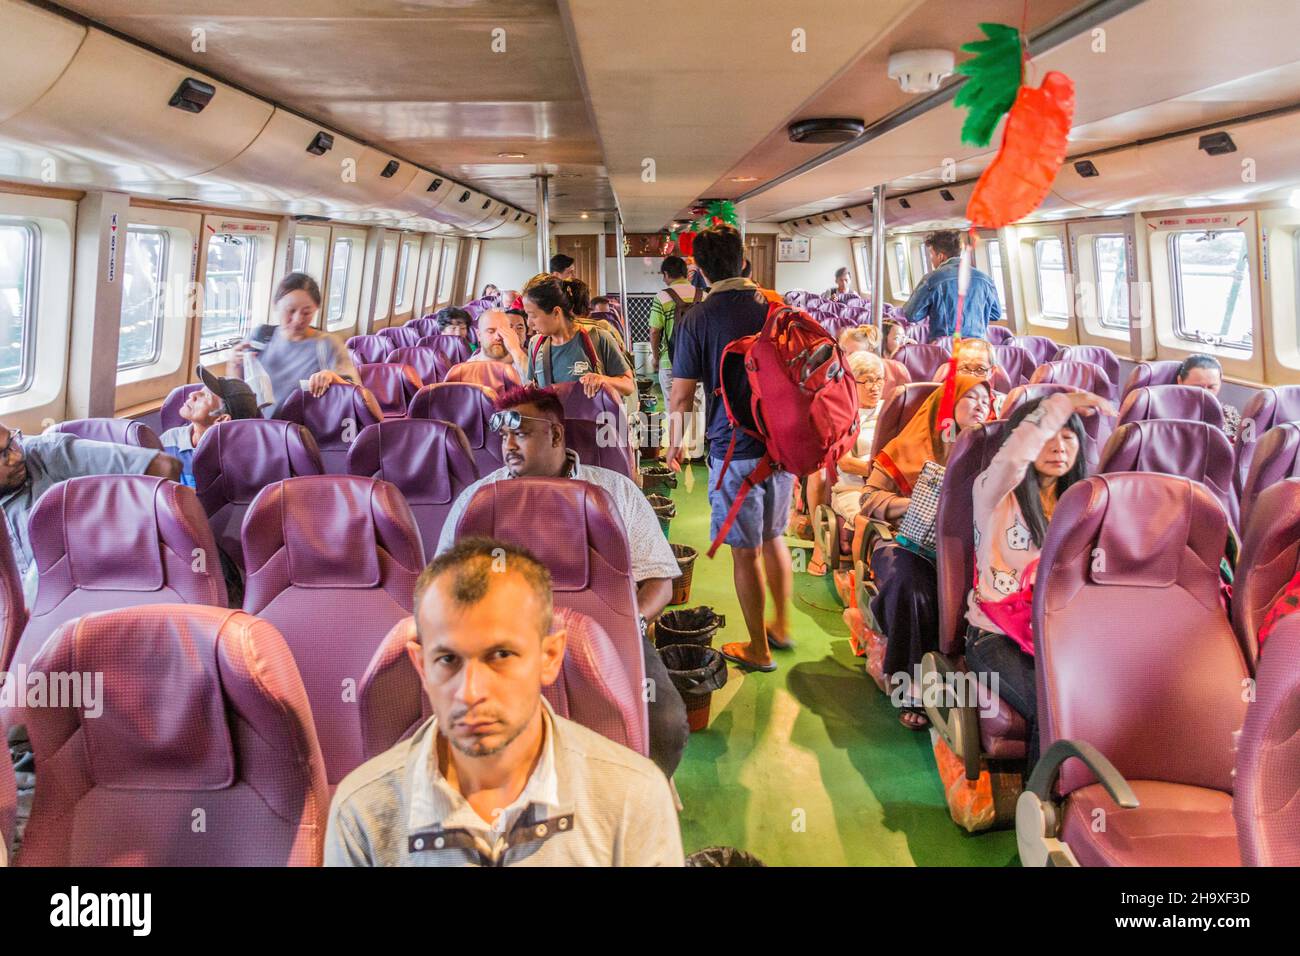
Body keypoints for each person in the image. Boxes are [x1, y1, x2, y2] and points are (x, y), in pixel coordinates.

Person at [325, 537, 683, 867]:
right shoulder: (361, 815)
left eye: (500, 655)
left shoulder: (633, 799)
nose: (470, 692)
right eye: (447, 660)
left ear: (550, 657)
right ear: (421, 666)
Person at [436, 386, 689, 778]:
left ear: (555, 434)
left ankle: (645, 792)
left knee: (666, 725)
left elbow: (660, 579)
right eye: (502, 436)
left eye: (519, 432)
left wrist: (631, 623)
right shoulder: (479, 500)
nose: (508, 446)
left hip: (611, 633)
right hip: (503, 642)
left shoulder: (613, 491)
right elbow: (442, 582)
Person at [667, 226, 796, 673]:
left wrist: (675, 444)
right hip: (782, 448)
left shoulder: (696, 320)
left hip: (733, 450)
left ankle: (759, 648)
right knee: (774, 537)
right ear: (744, 262)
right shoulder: (777, 308)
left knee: (746, 552)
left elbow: (681, 395)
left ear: (698, 272)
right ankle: (782, 625)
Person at [963, 391, 1107, 770]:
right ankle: (1042, 809)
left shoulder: (1085, 506)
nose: (1058, 447)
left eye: (1069, 436)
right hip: (996, 636)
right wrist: (1062, 403)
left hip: (1059, 634)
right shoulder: (993, 495)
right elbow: (1012, 458)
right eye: (1047, 436)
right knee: (1054, 709)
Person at [860, 375, 994, 728]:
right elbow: (868, 499)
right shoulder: (911, 446)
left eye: (986, 400)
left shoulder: (995, 454)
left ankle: (974, 685)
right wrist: (916, 506)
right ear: (947, 407)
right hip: (908, 544)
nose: (981, 406)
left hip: (970, 552)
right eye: (971, 398)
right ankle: (911, 685)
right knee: (912, 587)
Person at [0, 422, 181, 603]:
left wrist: (116, 535)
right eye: (3, 454)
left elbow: (165, 467)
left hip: (93, 599)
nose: (16, 456)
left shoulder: (47, 454)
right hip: (22, 620)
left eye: (12, 441)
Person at [229, 272, 359, 419]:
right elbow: (238, 398)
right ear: (276, 305)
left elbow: (356, 393)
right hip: (259, 430)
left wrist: (332, 377)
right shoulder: (260, 337)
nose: (298, 319)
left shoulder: (327, 345)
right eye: (290, 311)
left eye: (306, 313)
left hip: (302, 435)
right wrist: (234, 366)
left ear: (316, 309)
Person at [807, 351, 885, 576]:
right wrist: (884, 470)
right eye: (867, 380)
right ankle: (821, 547)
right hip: (854, 486)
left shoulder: (891, 408)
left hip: (887, 485)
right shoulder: (842, 412)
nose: (875, 386)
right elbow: (847, 463)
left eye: (879, 379)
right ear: (851, 382)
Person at [522, 274, 633, 398]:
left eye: (533, 315)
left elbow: (628, 385)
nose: (529, 323)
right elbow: (534, 385)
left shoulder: (598, 338)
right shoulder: (536, 345)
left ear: (556, 312)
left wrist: (603, 380)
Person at [159, 366, 261, 488]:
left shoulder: (234, 463)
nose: (193, 394)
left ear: (221, 419)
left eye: (205, 396)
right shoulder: (169, 439)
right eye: (201, 390)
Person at [902, 230, 1002, 341]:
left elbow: (911, 315)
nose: (931, 260)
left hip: (945, 347)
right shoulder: (985, 279)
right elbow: (996, 314)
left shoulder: (932, 279)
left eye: (932, 255)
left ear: (940, 256)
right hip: (976, 346)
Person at [649, 256, 705, 404]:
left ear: (666, 274)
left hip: (669, 362)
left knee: (674, 412)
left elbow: (655, 331)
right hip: (699, 362)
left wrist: (655, 358)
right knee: (697, 411)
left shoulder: (662, 297)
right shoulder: (703, 295)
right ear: (685, 273)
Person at [1176, 353, 1242, 439]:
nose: (1206, 393)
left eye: (1211, 387)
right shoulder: (1170, 416)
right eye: (1198, 387)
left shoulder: (1229, 413)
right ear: (1180, 381)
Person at [470, 310, 528, 382]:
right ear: (479, 335)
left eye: (504, 331)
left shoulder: (521, 361)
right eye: (491, 331)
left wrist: (516, 350)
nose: (498, 337)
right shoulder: (467, 369)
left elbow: (536, 386)